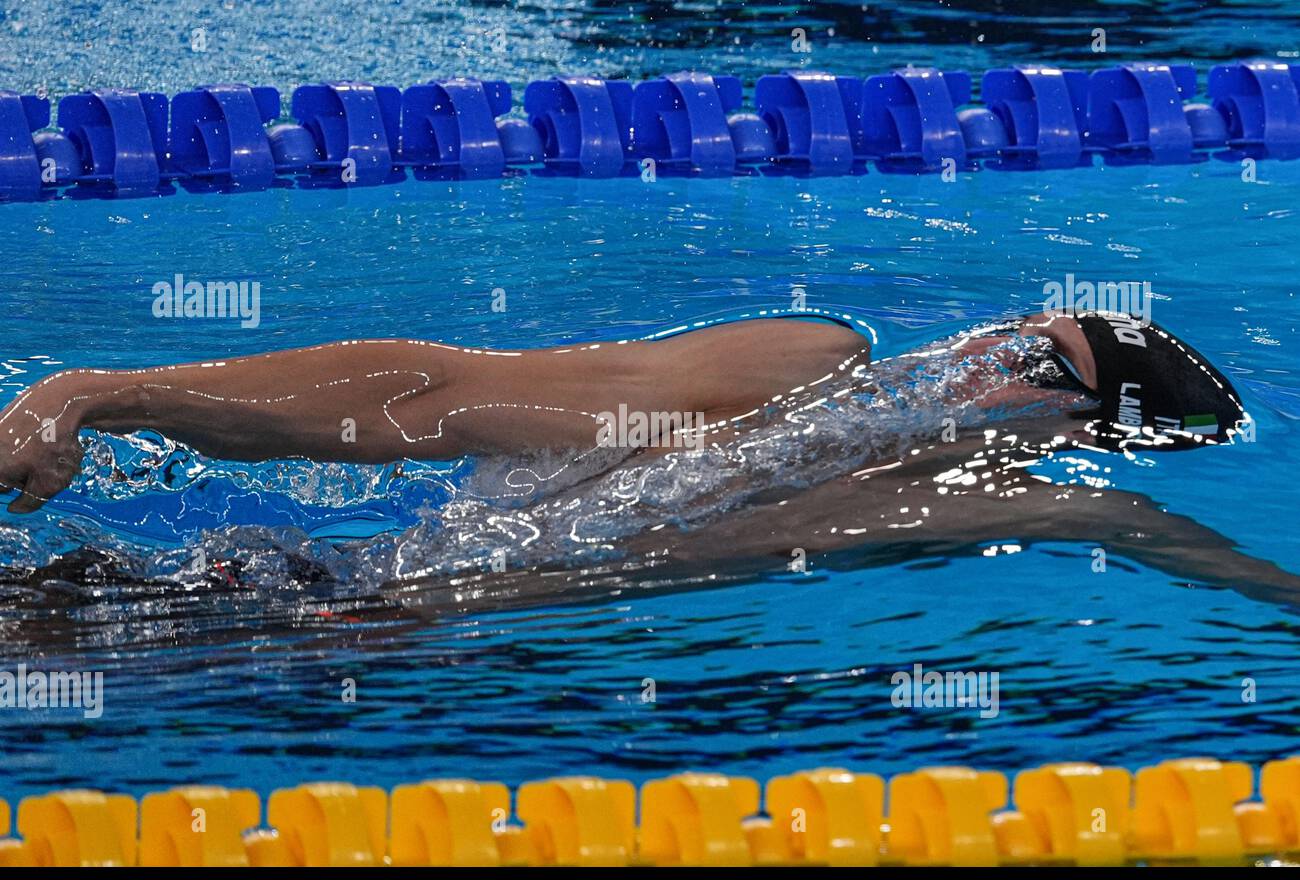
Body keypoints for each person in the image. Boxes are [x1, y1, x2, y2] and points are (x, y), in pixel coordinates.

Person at [0, 309, 1245, 514]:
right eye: (1011, 324)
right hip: (294, 596)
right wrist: (94, 394)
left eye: (1030, 352)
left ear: (1071, 420)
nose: (979, 347)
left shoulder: (981, 505)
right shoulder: (802, 369)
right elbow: (434, 388)